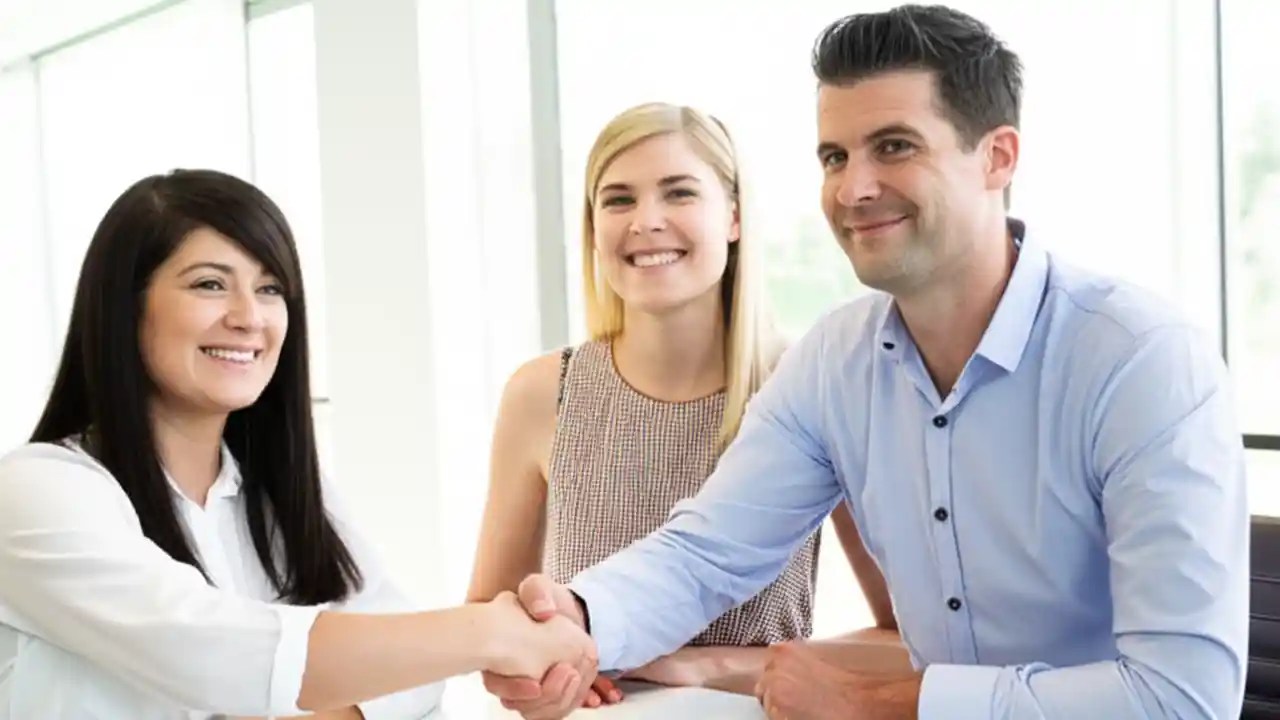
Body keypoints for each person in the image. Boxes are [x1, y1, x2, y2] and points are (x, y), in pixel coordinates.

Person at [485, 5, 1249, 720]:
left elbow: (1182, 696)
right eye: (834, 155)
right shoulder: (833, 364)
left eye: (894, 147)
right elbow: (706, 555)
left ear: (997, 156)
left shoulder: (1140, 361)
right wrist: (578, 621)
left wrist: (880, 703)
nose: (853, 188)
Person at [0, 169, 594, 719]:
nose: (248, 317)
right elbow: (220, 654)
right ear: (125, 311)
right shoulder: (38, 490)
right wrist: (490, 632)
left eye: (270, 289)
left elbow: (411, 675)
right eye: (210, 284)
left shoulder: (278, 495)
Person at [467, 102, 908, 711]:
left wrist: (703, 666)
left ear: (733, 216)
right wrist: (545, 669)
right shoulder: (543, 394)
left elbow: (912, 643)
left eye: (678, 194)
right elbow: (483, 626)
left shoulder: (812, 383)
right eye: (618, 200)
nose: (646, 221)